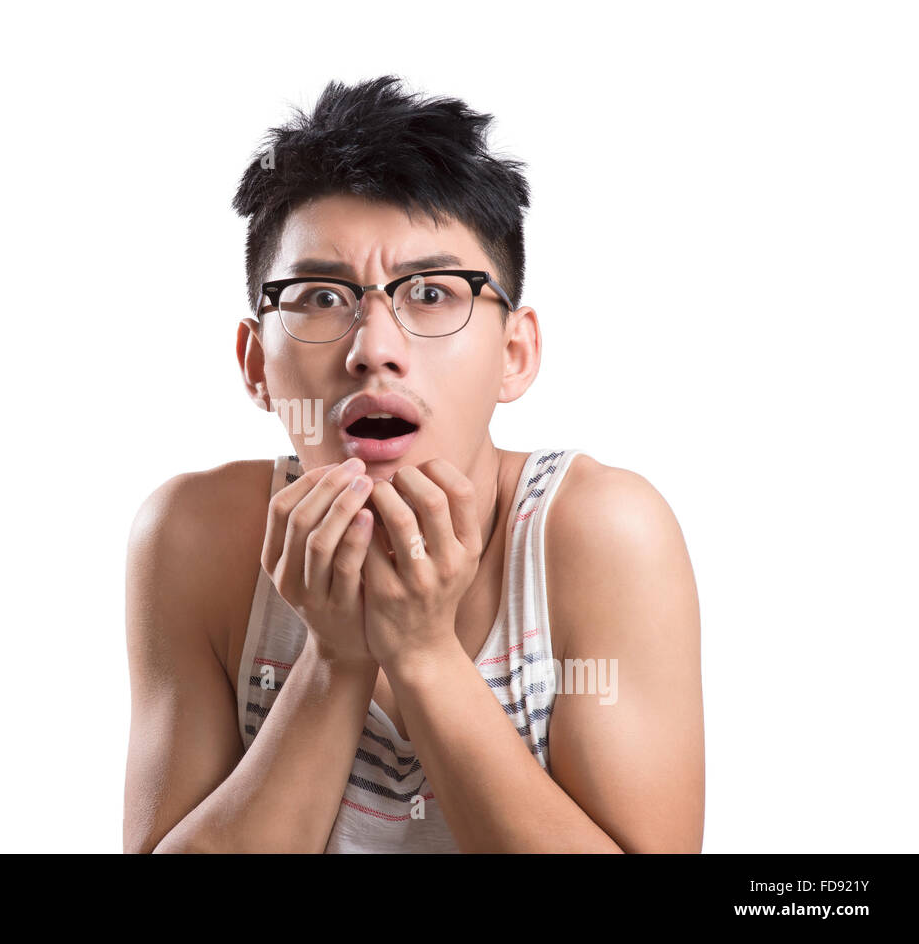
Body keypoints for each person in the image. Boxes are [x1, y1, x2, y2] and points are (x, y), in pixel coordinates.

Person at [124, 76, 704, 853]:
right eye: (320, 296)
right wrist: (336, 658)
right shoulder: (197, 539)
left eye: (430, 292)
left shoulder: (602, 534)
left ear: (516, 352)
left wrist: (424, 652)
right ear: (255, 363)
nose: (374, 350)